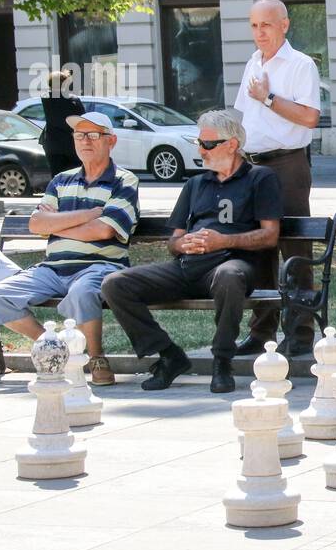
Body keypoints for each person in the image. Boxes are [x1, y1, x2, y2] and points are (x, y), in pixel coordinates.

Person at [102, 109, 282, 393]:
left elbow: (270, 236)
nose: (201, 150)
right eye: (199, 143)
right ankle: (169, 355)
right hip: (187, 267)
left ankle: (222, 361)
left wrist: (224, 241)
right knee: (115, 284)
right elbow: (173, 241)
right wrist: (181, 245)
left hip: (232, 264)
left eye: (208, 144)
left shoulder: (260, 178)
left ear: (232, 144)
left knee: (229, 276)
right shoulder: (196, 183)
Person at [0, 112, 138, 386]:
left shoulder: (124, 181)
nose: (85, 141)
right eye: (79, 136)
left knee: (82, 291)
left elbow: (103, 231)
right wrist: (90, 213)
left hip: (101, 266)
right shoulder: (61, 181)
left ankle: (96, 358)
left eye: (93, 135)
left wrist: (56, 225)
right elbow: (36, 223)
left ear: (111, 141)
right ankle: (55, 348)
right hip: (52, 269)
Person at [231, 0, 321, 357]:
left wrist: (268, 97)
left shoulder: (300, 65)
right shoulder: (253, 62)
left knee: (293, 248)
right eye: (254, 26)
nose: (259, 32)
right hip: (251, 166)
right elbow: (240, 114)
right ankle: (261, 331)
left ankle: (299, 334)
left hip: (287, 165)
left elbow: (310, 117)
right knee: (257, 248)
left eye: (266, 25)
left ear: (284, 25)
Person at [39, 69, 85, 175]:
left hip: (52, 144)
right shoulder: (73, 100)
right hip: (71, 144)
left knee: (56, 176)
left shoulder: (45, 98)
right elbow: (82, 119)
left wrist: (64, 76)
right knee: (74, 175)